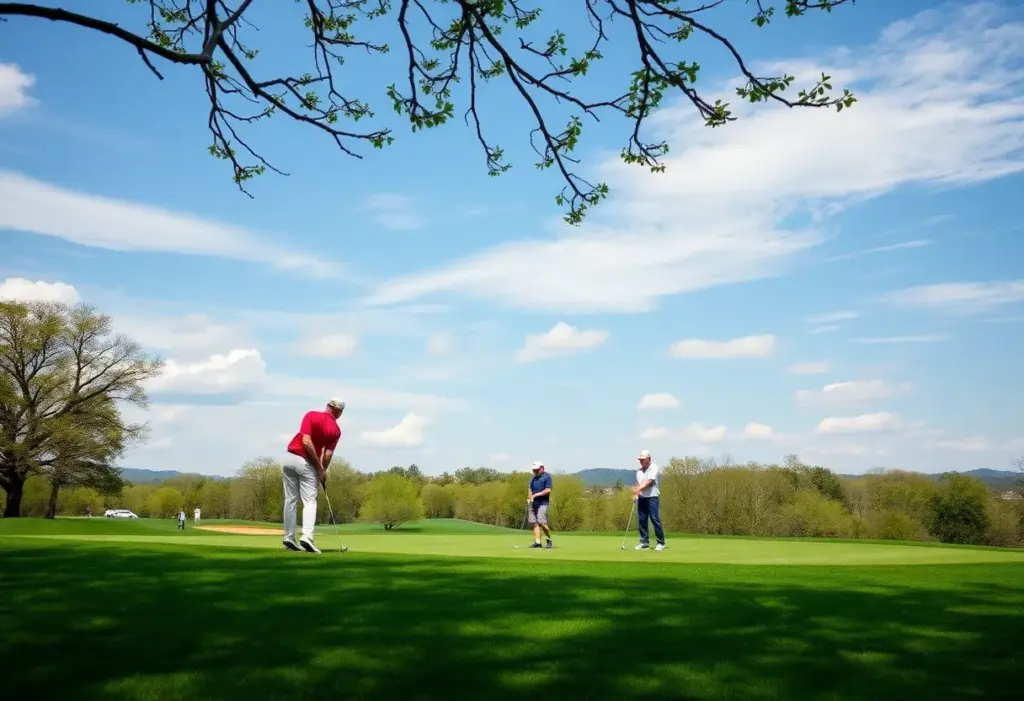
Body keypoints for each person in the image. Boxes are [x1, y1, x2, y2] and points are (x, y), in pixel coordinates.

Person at [282, 397, 344, 554]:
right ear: (338, 412)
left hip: (289, 459)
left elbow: (305, 439)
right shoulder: (336, 431)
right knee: (310, 501)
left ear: (328, 406)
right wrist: (321, 469)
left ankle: (289, 537)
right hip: (306, 463)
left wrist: (320, 469)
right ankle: (307, 537)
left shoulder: (311, 415)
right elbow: (315, 447)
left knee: (290, 499)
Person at [632, 449, 666, 551]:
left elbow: (649, 482)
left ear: (649, 459)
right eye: (640, 459)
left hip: (652, 497)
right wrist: (635, 493)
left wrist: (639, 489)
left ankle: (660, 543)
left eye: (643, 459)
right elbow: (639, 484)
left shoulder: (654, 468)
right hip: (642, 498)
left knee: (654, 519)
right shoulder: (638, 471)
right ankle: (644, 542)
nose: (641, 461)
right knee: (642, 520)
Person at [527, 461, 553, 549]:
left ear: (542, 468)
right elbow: (530, 489)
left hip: (543, 503)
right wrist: (529, 498)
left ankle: (549, 539)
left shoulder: (547, 477)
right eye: (534, 470)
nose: (535, 472)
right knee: (534, 523)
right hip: (533, 503)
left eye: (537, 470)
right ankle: (538, 542)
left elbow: (548, 490)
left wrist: (535, 495)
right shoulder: (532, 479)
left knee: (541, 522)